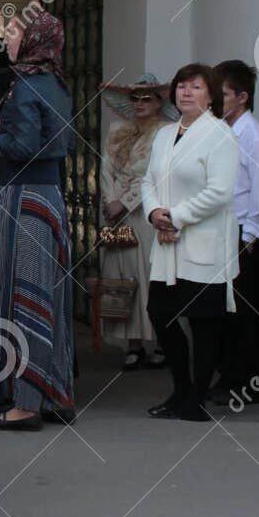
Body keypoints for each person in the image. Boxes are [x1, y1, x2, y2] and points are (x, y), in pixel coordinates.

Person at [0, 9, 75, 431]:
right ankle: (53, 393)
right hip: (48, 197)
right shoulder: (57, 84)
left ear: (34, 39)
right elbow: (51, 142)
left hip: (24, 200)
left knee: (15, 294)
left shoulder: (25, 86)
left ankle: (24, 405)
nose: (6, 40)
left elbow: (23, 146)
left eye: (13, 34)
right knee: (44, 296)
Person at [142, 64, 240, 423]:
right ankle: (180, 390)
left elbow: (220, 191)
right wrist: (155, 214)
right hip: (167, 244)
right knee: (161, 314)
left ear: (210, 94)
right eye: (181, 86)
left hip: (203, 242)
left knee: (203, 323)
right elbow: (147, 180)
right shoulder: (165, 133)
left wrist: (177, 217)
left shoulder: (220, 135)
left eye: (195, 87)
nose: (186, 92)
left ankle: (197, 399)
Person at [211, 59, 259, 406]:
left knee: (247, 308)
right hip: (224, 231)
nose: (217, 101)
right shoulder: (222, 130)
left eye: (223, 94)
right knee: (227, 309)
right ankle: (229, 374)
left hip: (245, 234)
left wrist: (253, 233)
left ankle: (249, 382)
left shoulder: (253, 134)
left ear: (242, 97)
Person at [98, 74, 174, 368]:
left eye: (147, 98)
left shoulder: (166, 132)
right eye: (135, 98)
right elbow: (106, 169)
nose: (140, 104)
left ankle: (160, 342)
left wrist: (127, 202)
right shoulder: (118, 130)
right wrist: (110, 201)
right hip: (116, 216)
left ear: (159, 102)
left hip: (146, 213)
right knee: (120, 277)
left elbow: (156, 174)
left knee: (150, 275)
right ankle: (132, 344)